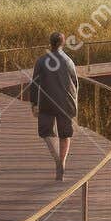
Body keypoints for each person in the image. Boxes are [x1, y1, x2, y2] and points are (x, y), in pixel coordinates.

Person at [29, 31, 79, 181]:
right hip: (65, 102)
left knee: (46, 132)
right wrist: (74, 102)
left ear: (50, 43)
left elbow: (34, 84)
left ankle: (57, 158)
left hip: (47, 102)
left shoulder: (41, 61)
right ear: (63, 43)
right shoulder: (68, 61)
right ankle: (62, 161)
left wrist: (34, 103)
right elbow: (75, 83)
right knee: (65, 134)